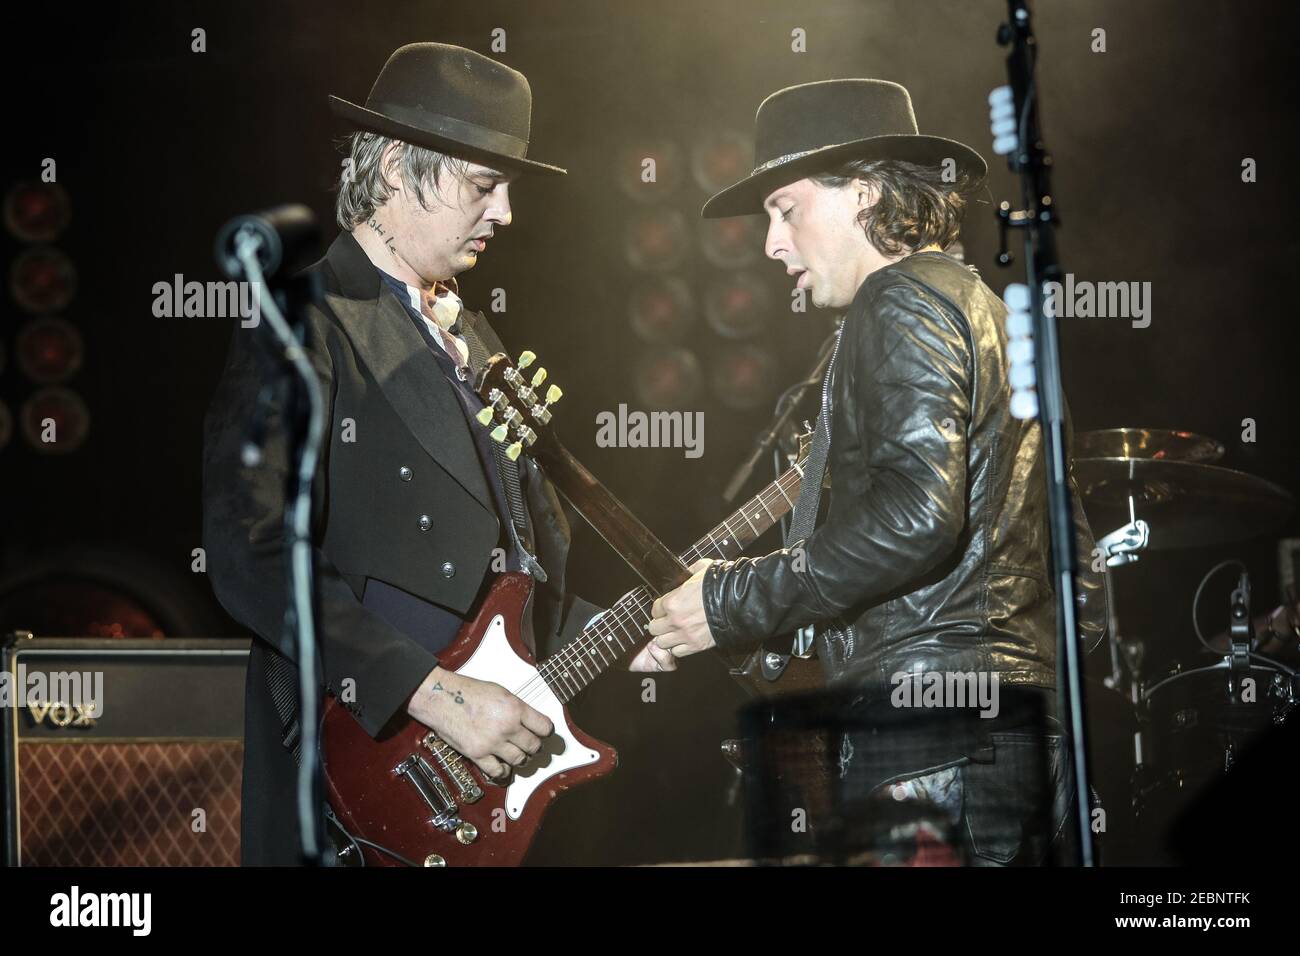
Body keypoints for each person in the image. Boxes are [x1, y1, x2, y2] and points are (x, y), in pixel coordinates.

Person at [634, 79, 1107, 865]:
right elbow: (1080, 587)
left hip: (928, 748)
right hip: (1028, 746)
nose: (771, 244)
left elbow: (916, 518)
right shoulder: (997, 317)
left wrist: (727, 598)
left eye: (786, 209)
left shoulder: (896, 302)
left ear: (864, 194)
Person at [202, 42, 600, 865]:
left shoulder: (477, 338)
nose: (505, 214)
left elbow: (521, 567)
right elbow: (250, 548)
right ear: (391, 170)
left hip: (473, 794)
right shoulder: (304, 320)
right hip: (360, 779)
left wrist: (647, 625)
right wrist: (435, 695)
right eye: (484, 187)